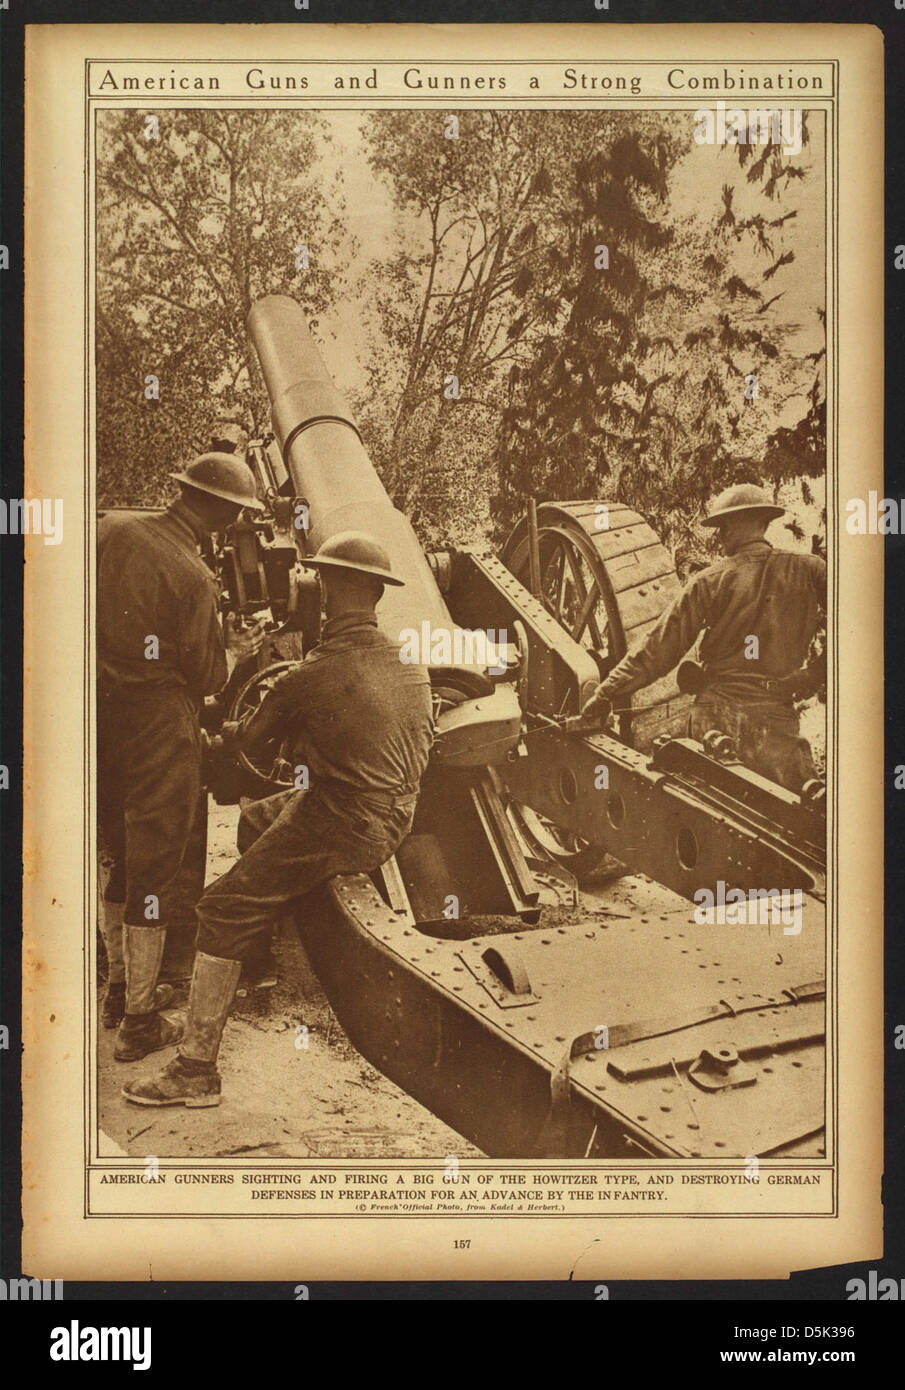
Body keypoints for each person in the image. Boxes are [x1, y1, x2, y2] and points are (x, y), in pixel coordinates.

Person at [122, 530, 435, 1109]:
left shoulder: (310, 674)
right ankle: (257, 956)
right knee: (259, 819)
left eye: (316, 580)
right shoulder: (410, 662)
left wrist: (195, 736)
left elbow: (249, 738)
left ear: (331, 591)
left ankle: (195, 1071)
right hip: (397, 815)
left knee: (218, 908)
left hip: (342, 821)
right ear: (376, 595)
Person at [97, 453, 267, 1058]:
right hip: (159, 728)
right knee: (153, 868)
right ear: (222, 512)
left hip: (98, 716)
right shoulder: (194, 576)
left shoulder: (109, 528)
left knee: (112, 848)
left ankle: (118, 987)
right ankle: (140, 1021)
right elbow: (204, 675)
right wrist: (238, 650)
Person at [572, 483, 826, 793]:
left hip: (716, 721)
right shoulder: (811, 570)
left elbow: (657, 650)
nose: (719, 535)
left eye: (722, 527)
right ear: (764, 522)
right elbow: (856, 629)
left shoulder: (709, 581)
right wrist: (813, 674)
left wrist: (604, 695)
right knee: (796, 817)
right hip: (776, 725)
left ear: (734, 526)